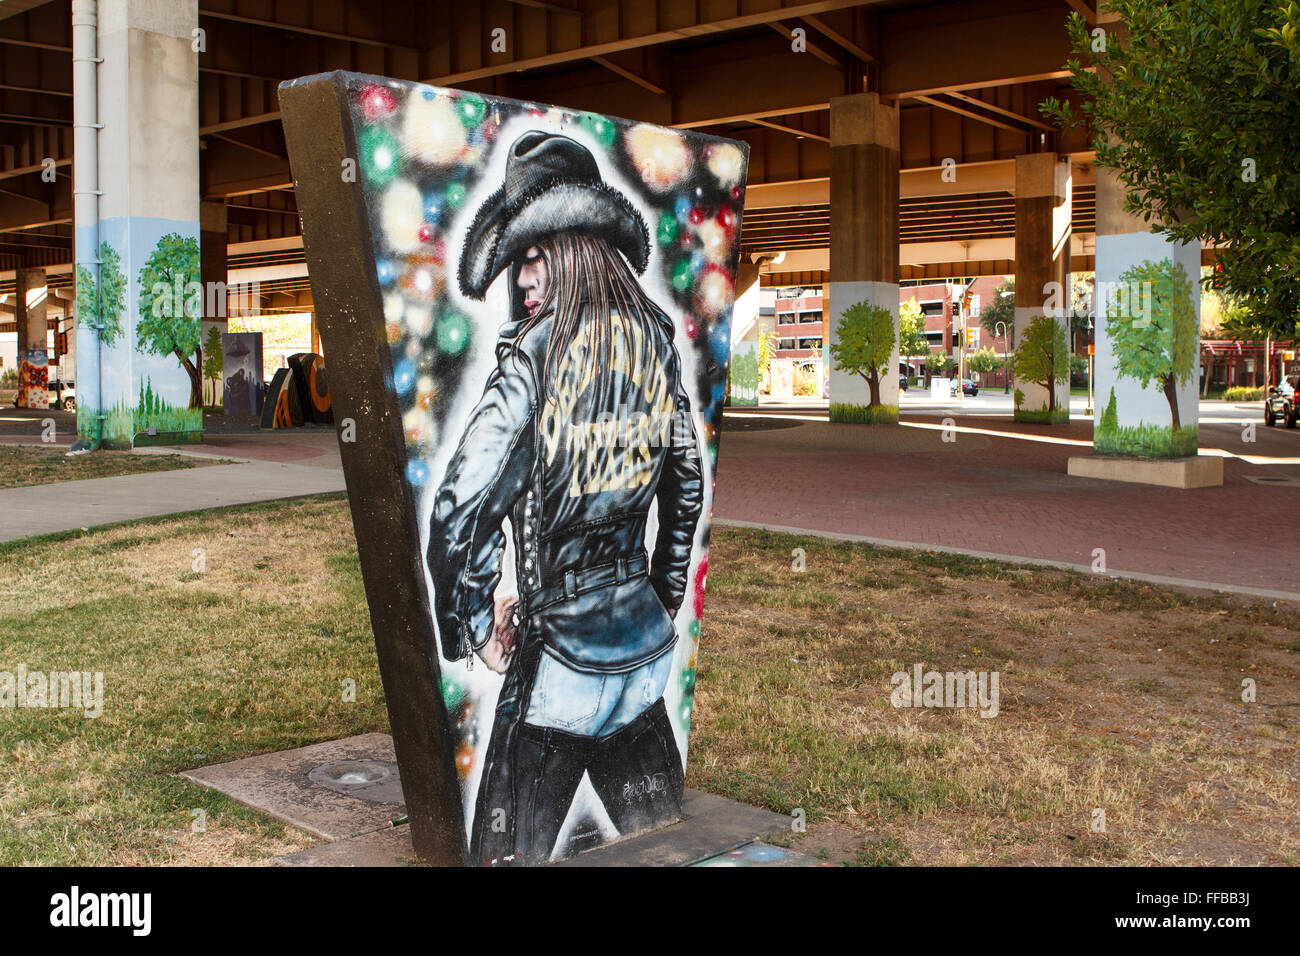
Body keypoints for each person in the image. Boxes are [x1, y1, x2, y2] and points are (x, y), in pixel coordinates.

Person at [427, 131, 703, 866]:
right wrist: (661, 599)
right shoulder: (655, 338)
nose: (521, 282)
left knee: (498, 856)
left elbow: (461, 507)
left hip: (555, 670)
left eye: (532, 257)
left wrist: (478, 625)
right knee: (668, 843)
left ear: (574, 247)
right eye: (518, 263)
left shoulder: (533, 360)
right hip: (637, 657)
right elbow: (686, 482)